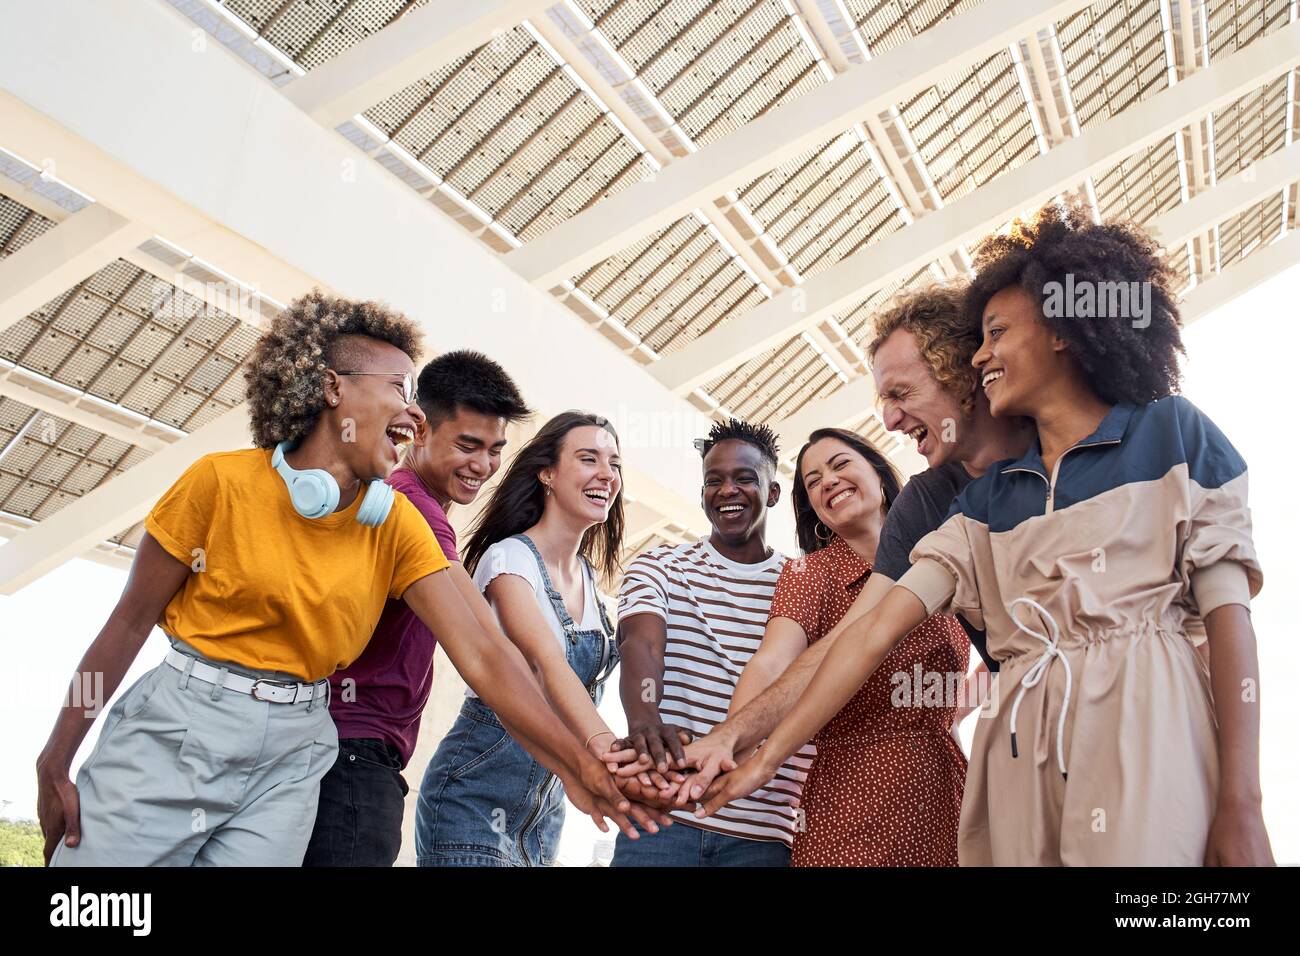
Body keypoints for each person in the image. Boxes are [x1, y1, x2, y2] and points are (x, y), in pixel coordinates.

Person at [700, 203, 1275, 866]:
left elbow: (1230, 621)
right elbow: (865, 633)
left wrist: (1243, 801)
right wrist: (759, 751)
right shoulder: (969, 506)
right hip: (1023, 755)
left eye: (995, 333)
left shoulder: (1172, 433)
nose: (983, 354)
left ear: (1062, 328)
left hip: (1150, 735)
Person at [36, 292, 646, 867]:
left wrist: (576, 767)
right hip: (183, 721)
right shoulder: (218, 483)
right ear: (332, 388)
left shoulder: (397, 523)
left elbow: (487, 655)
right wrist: (56, 757)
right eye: (399, 389)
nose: (412, 412)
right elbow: (128, 622)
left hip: (296, 753)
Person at [676, 285, 1033, 806]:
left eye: (900, 394)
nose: (889, 418)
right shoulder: (926, 512)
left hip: (954, 778)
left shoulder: (1063, 453)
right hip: (866, 796)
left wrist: (959, 711)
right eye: (813, 480)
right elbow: (853, 637)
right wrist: (740, 744)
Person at [303, 350, 530, 867]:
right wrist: (587, 757)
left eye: (495, 450)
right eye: (468, 445)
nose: (484, 465)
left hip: (355, 750)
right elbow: (485, 645)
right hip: (352, 752)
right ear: (420, 429)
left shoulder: (413, 502)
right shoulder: (409, 505)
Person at [415, 411, 643, 866]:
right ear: (547, 473)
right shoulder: (509, 561)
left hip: (543, 820)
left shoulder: (591, 581)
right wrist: (604, 750)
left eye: (614, 463)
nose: (607, 474)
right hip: (472, 804)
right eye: (588, 458)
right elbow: (544, 664)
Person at [745, 428, 969, 865]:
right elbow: (772, 661)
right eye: (812, 481)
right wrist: (732, 738)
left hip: (947, 794)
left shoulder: (946, 552)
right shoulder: (810, 574)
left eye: (840, 464)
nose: (827, 480)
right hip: (851, 805)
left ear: (879, 474)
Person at [609, 419, 811, 867]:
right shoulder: (662, 563)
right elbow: (641, 644)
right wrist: (643, 720)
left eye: (744, 479)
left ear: (773, 493)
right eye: (713, 481)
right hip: (663, 820)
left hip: (764, 834)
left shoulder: (803, 583)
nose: (727, 491)